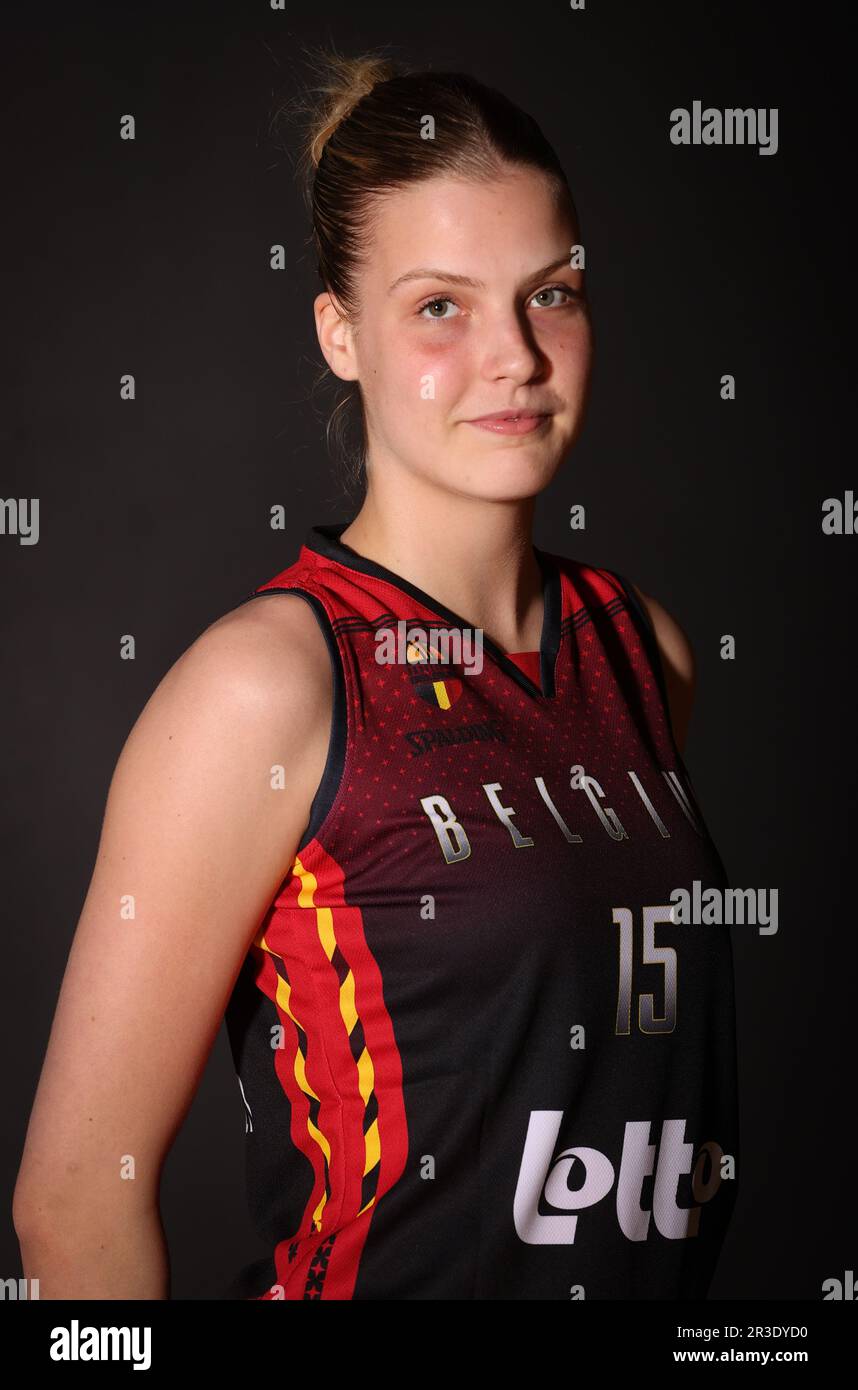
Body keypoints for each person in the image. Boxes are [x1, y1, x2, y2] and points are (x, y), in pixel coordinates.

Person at [13, 48, 739, 1301]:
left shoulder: (641, 650)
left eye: (550, 293)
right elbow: (74, 1205)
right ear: (341, 334)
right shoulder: (268, 690)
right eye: (441, 307)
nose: (514, 355)